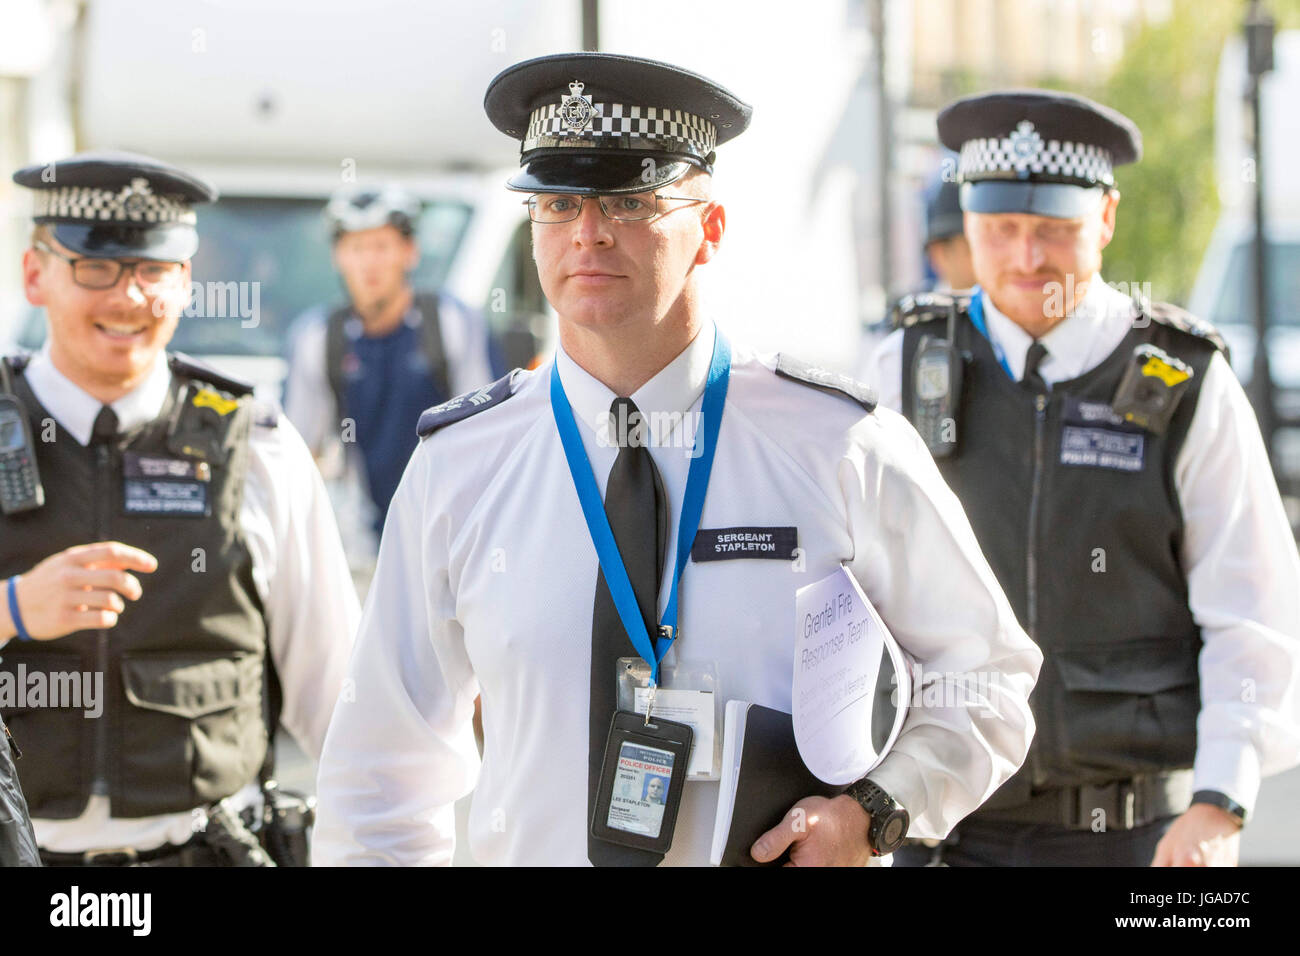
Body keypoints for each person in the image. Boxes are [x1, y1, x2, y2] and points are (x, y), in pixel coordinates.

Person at [313, 52, 1042, 867]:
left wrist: (876, 812)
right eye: (557, 203)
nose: (588, 232)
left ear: (711, 229)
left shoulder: (833, 442)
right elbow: (378, 773)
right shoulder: (462, 465)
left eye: (629, 201)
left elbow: (988, 677)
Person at [868, 90, 1300, 866]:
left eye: (1054, 231)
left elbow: (1253, 607)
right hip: (943, 833)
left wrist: (1218, 804)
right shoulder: (904, 369)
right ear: (968, 223)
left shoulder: (1182, 381)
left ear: (1104, 219)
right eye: (1002, 229)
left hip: (1140, 837)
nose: (1028, 257)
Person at [0, 151, 358, 866]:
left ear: (186, 282)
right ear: (36, 273)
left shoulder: (255, 442)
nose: (129, 299)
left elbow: (341, 699)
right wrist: (12, 610)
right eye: (96, 268)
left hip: (201, 850)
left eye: (153, 270)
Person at [282, 185, 504, 539]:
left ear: (409, 252)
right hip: (362, 540)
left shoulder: (453, 324)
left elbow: (491, 436)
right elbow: (297, 455)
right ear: (338, 256)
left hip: (452, 528)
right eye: (356, 248)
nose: (369, 262)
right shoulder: (317, 338)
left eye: (382, 247)